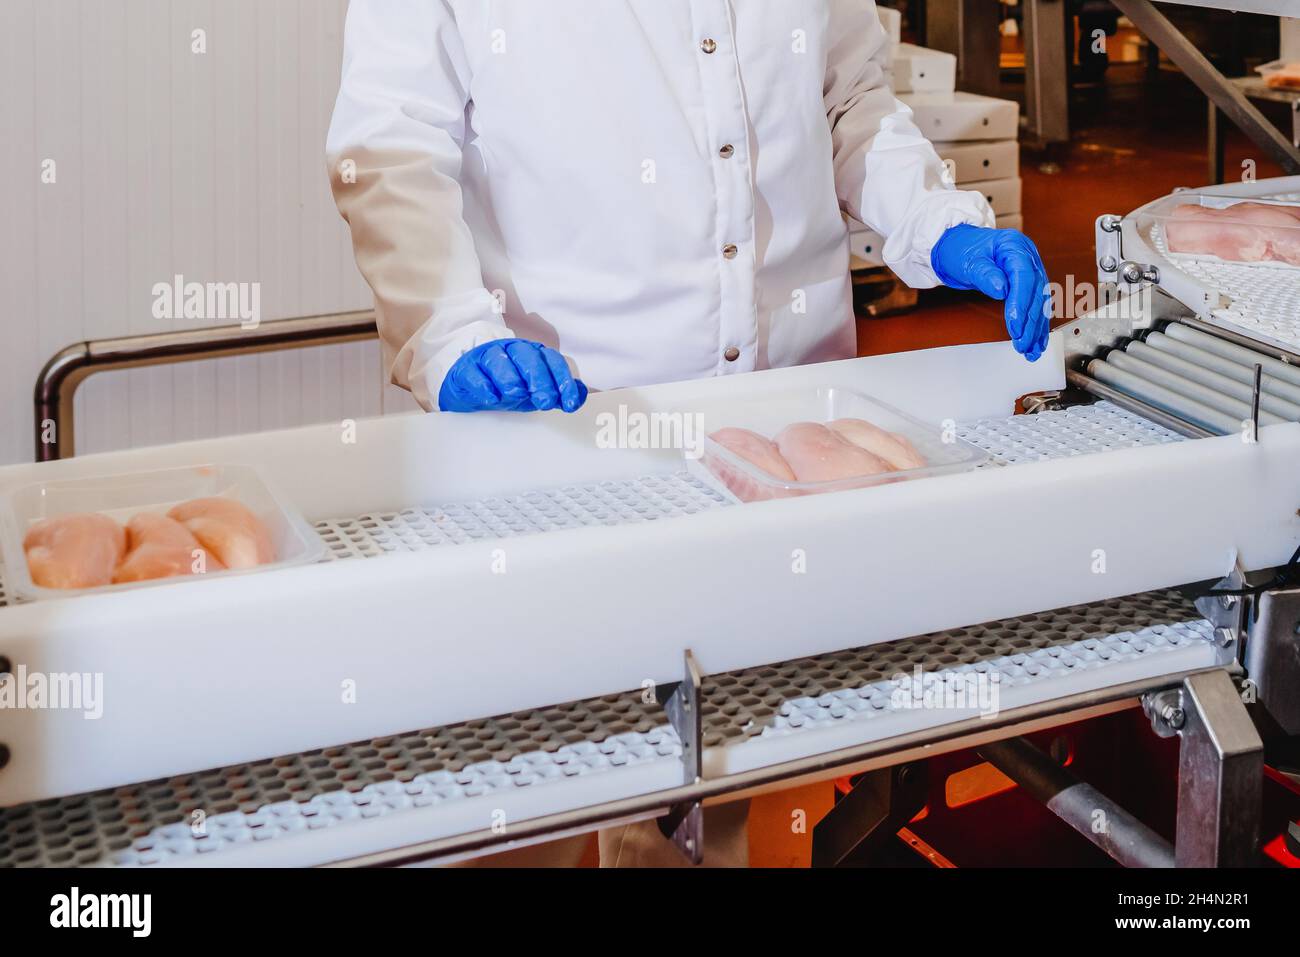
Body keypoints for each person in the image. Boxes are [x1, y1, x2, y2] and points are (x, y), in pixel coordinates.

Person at [327, 0, 1051, 866]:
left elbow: (850, 99)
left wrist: (936, 221)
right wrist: (444, 332)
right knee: (576, 764)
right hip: (578, 423)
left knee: (760, 756)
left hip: (788, 419)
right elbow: (392, 145)